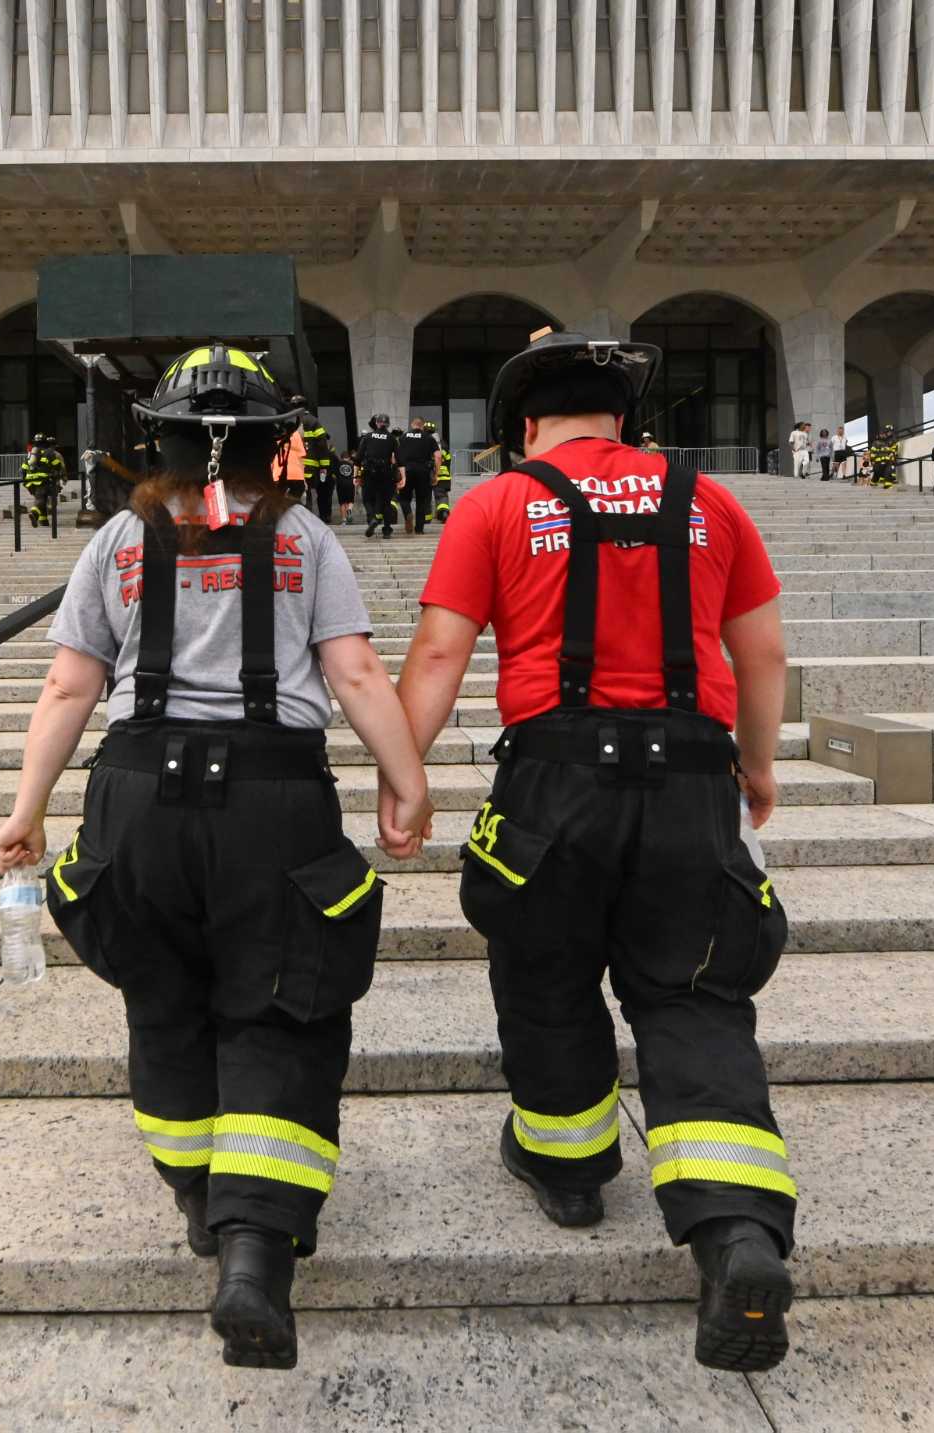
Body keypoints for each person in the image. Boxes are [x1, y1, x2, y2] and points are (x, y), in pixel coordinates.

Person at [0, 342, 429, 1371]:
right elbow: (354, 669)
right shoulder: (306, 538)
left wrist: (25, 808)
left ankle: (197, 1194)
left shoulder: (117, 538)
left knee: (164, 997)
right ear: (277, 441)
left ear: (161, 437)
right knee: (280, 1005)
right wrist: (404, 776)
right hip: (273, 796)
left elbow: (68, 686)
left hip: (136, 795)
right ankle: (253, 1249)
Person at [393, 330, 797, 1373]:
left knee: (543, 968)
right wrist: (754, 768)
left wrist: (405, 776)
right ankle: (736, 1229)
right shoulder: (707, 501)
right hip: (689, 774)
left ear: (525, 425)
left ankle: (568, 1169)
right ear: (623, 419)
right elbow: (759, 650)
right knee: (694, 993)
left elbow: (441, 648)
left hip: (551, 781)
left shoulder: (494, 503)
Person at [357, 413, 400, 539]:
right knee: (386, 502)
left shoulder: (367, 437)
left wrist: (356, 476)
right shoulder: (392, 439)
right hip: (386, 474)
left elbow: (358, 458)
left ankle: (372, 519)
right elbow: (399, 459)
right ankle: (386, 530)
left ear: (377, 423)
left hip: (370, 473)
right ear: (388, 424)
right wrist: (401, 476)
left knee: (367, 499)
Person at [395, 417, 440, 535]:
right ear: (422, 425)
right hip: (423, 472)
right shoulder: (429, 438)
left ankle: (408, 514)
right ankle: (419, 529)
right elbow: (438, 456)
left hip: (407, 471)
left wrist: (397, 472)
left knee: (404, 498)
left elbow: (395, 455)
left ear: (412, 424)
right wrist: (436, 474)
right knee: (422, 501)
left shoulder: (403, 437)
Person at [22, 433, 66, 528]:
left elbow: (23, 467)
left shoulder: (31, 453)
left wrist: (24, 481)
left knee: (41, 498)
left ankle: (43, 520)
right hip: (43, 480)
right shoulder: (49, 452)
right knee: (41, 498)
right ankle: (34, 512)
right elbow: (57, 465)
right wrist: (60, 475)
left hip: (30, 480)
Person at [331, 449, 359, 525]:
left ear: (341, 457)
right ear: (349, 458)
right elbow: (356, 475)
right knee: (350, 501)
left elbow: (333, 475)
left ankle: (344, 520)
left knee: (342, 503)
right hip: (350, 484)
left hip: (340, 484)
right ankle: (349, 509)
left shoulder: (338, 464)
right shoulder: (352, 465)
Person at [869, 424, 899, 489]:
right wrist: (872, 460)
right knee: (877, 473)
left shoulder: (889, 442)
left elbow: (891, 451)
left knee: (888, 472)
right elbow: (872, 452)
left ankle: (887, 485)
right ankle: (873, 482)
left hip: (887, 461)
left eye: (884, 434)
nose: (884, 435)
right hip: (878, 462)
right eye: (883, 434)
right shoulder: (876, 443)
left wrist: (892, 456)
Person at [432, 439, 455, 523]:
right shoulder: (445, 451)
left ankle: (430, 517)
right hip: (445, 476)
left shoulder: (432, 449)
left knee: (429, 497)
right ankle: (444, 513)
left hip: (434, 475)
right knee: (442, 495)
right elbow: (448, 462)